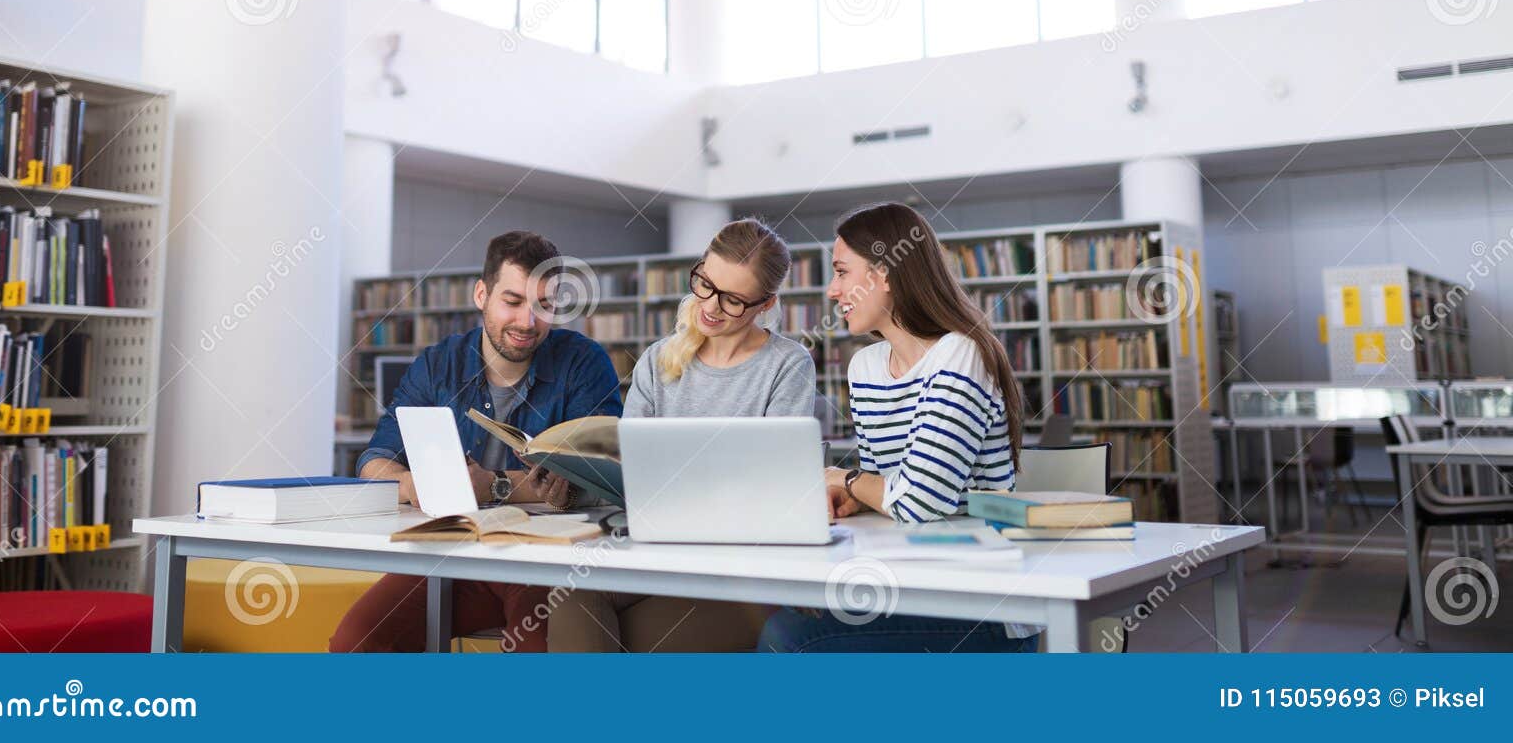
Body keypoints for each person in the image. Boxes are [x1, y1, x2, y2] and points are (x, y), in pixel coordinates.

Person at [757, 201, 1039, 653]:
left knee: (788, 638)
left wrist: (841, 478)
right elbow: (887, 490)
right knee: (791, 615)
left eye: (842, 271)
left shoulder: (960, 354)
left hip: (983, 604)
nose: (832, 290)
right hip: (908, 581)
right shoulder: (865, 368)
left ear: (883, 274)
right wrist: (854, 497)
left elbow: (919, 500)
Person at [329, 230, 622, 653]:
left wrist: (495, 485)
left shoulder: (584, 363)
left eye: (545, 305)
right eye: (513, 301)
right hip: (450, 553)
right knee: (356, 642)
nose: (528, 321)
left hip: (542, 564)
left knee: (542, 650)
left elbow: (599, 475)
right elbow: (375, 459)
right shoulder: (437, 364)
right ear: (481, 294)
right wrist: (416, 485)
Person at [548, 218, 815, 652]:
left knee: (622, 640)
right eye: (705, 284)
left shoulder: (787, 365)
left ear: (765, 304)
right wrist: (575, 485)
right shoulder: (658, 360)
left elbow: (777, 490)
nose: (709, 306)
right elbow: (624, 470)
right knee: (569, 596)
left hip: (738, 573)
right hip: (652, 555)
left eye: (732, 300)